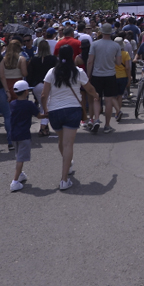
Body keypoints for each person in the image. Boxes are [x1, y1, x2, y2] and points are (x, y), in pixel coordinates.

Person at [41, 45, 97, 191]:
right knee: (68, 144)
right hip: (73, 110)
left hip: (55, 111)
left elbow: (43, 94)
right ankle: (64, 179)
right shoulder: (78, 72)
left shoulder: (51, 72)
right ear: (72, 55)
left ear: (59, 55)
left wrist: (45, 109)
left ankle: (68, 165)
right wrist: (96, 96)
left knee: (62, 141)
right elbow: (89, 88)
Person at [86, 23, 123, 133]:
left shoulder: (95, 44)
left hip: (97, 75)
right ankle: (107, 125)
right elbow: (119, 62)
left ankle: (96, 119)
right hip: (110, 75)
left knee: (96, 98)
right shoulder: (116, 45)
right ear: (111, 32)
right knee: (108, 101)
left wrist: (89, 75)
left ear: (101, 32)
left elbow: (90, 61)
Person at [7, 80, 40, 192]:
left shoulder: (12, 104)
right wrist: (48, 113)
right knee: (21, 158)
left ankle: (20, 174)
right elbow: (39, 115)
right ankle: (15, 181)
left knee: (18, 155)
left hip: (13, 134)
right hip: (24, 135)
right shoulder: (29, 105)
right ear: (26, 91)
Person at [26, 39, 55, 135]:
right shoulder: (53, 59)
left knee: (44, 106)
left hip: (36, 86)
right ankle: (43, 127)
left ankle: (45, 128)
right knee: (46, 107)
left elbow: (30, 74)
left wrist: (30, 84)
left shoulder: (34, 59)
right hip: (49, 85)